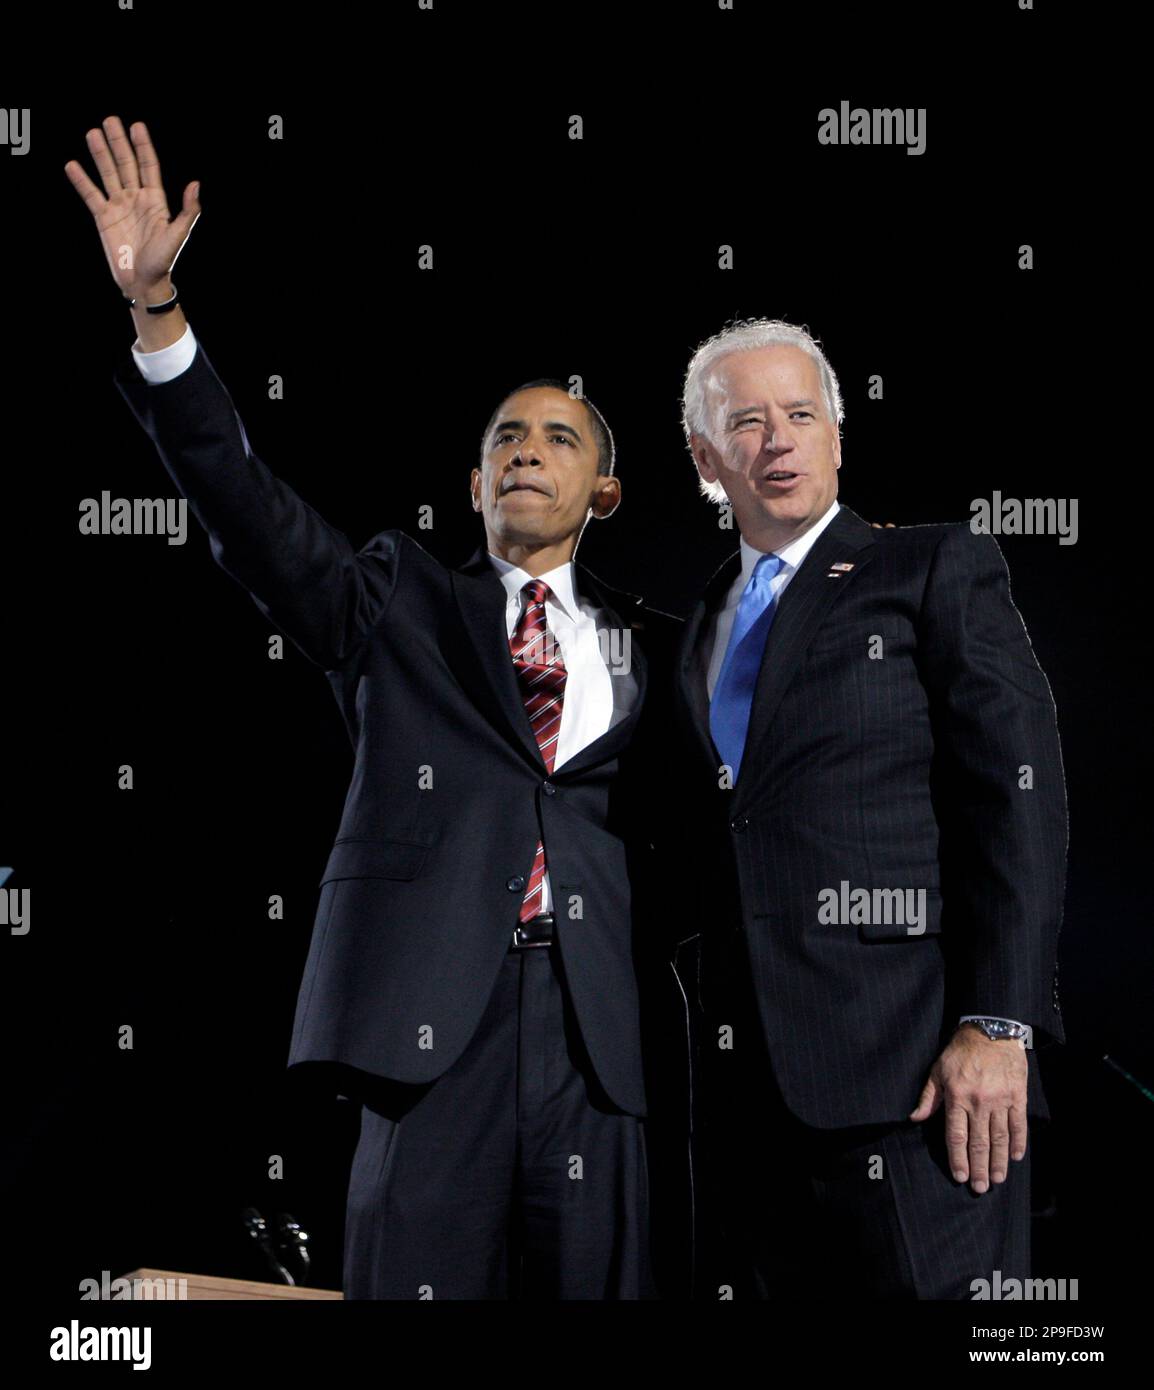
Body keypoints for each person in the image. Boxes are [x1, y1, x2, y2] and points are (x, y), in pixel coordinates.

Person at [65, 114, 688, 1300]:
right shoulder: (393, 597)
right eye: (502, 436)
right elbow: (244, 504)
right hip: (429, 1030)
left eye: (557, 438)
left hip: (599, 1049)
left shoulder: (656, 647)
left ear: (601, 490)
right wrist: (159, 314)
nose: (524, 450)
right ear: (469, 479)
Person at [667, 317, 1067, 1299]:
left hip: (919, 1081)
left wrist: (998, 1023)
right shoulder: (693, 626)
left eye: (800, 414)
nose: (777, 440)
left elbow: (1018, 797)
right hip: (745, 1103)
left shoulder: (932, 567)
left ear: (837, 436)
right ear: (704, 455)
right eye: (747, 420)